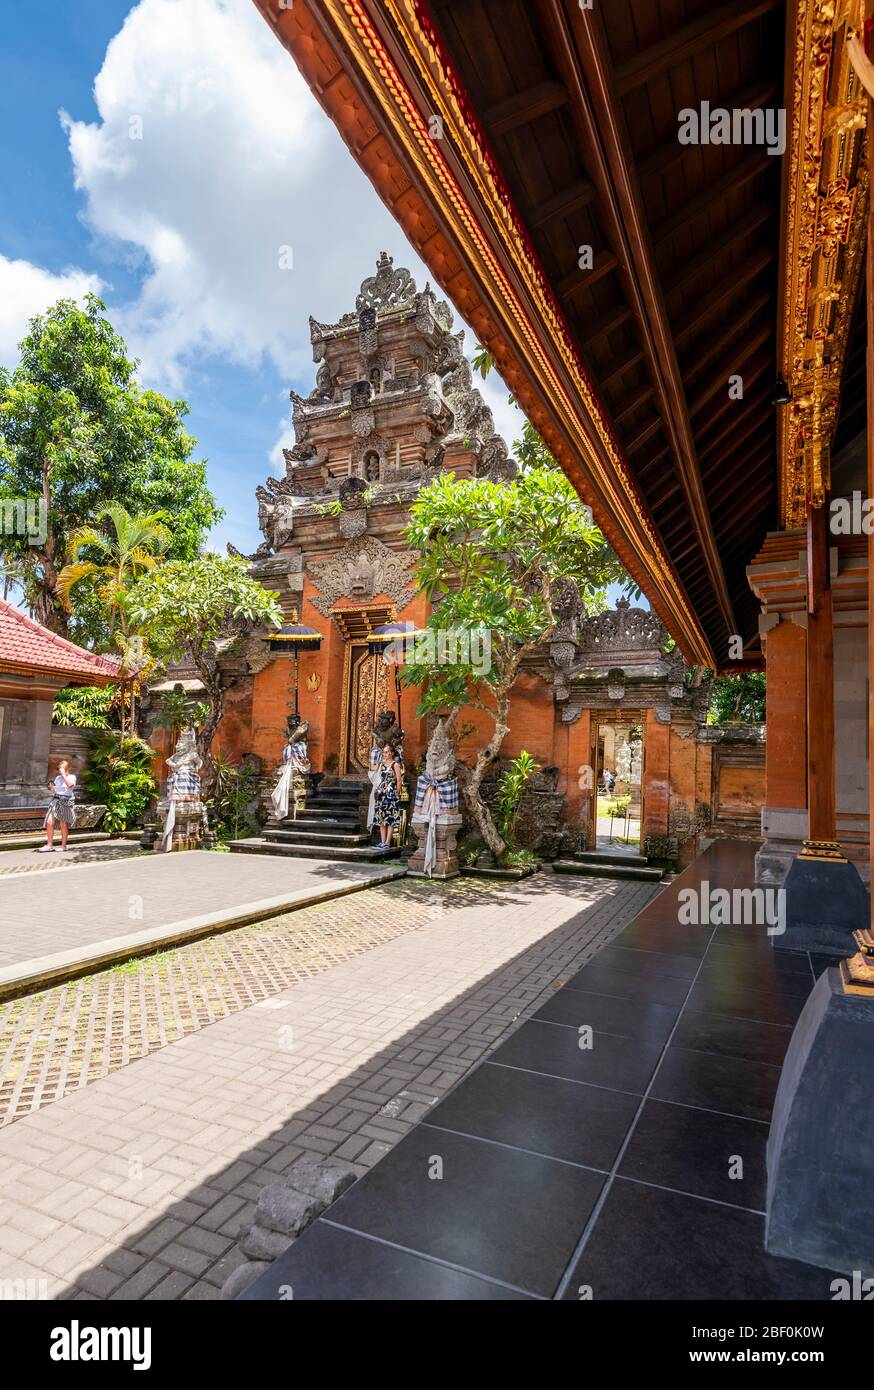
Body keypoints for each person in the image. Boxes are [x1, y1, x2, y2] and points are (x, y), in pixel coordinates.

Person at [40, 759, 77, 852]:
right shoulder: (58, 778)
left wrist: (64, 774)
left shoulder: (72, 777)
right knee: (49, 822)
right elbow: (55, 791)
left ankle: (63, 846)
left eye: (62, 769)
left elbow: (70, 785)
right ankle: (49, 845)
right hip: (56, 800)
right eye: (59, 769)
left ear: (66, 769)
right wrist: (52, 788)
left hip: (65, 801)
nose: (60, 771)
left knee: (63, 824)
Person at [372, 743, 403, 851]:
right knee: (381, 818)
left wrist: (396, 793)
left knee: (390, 819)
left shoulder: (396, 765)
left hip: (391, 795)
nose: (385, 754)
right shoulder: (382, 765)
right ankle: (382, 841)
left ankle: (387, 842)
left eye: (386, 752)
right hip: (382, 794)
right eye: (384, 752)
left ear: (392, 753)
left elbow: (399, 780)